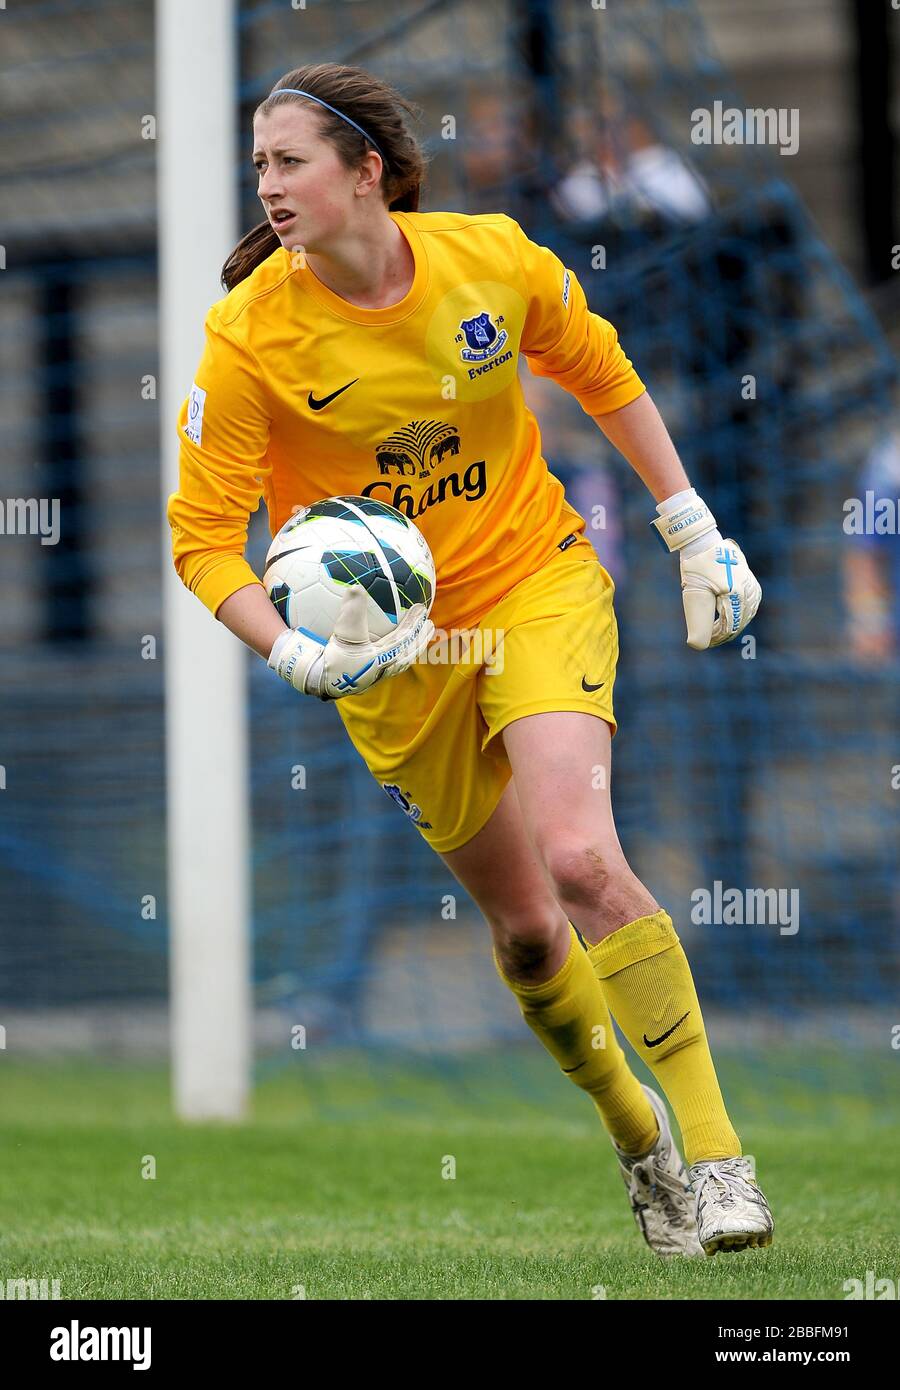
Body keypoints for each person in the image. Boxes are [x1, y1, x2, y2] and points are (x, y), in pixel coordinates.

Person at [168, 63, 773, 1259]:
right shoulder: (248, 339)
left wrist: (689, 522)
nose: (269, 185)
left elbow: (597, 365)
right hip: (398, 656)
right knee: (531, 935)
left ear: (365, 172)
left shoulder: (488, 257)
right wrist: (290, 648)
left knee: (581, 855)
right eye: (258, 166)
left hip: (533, 583)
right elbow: (199, 541)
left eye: (290, 161)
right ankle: (638, 1141)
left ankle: (718, 1162)